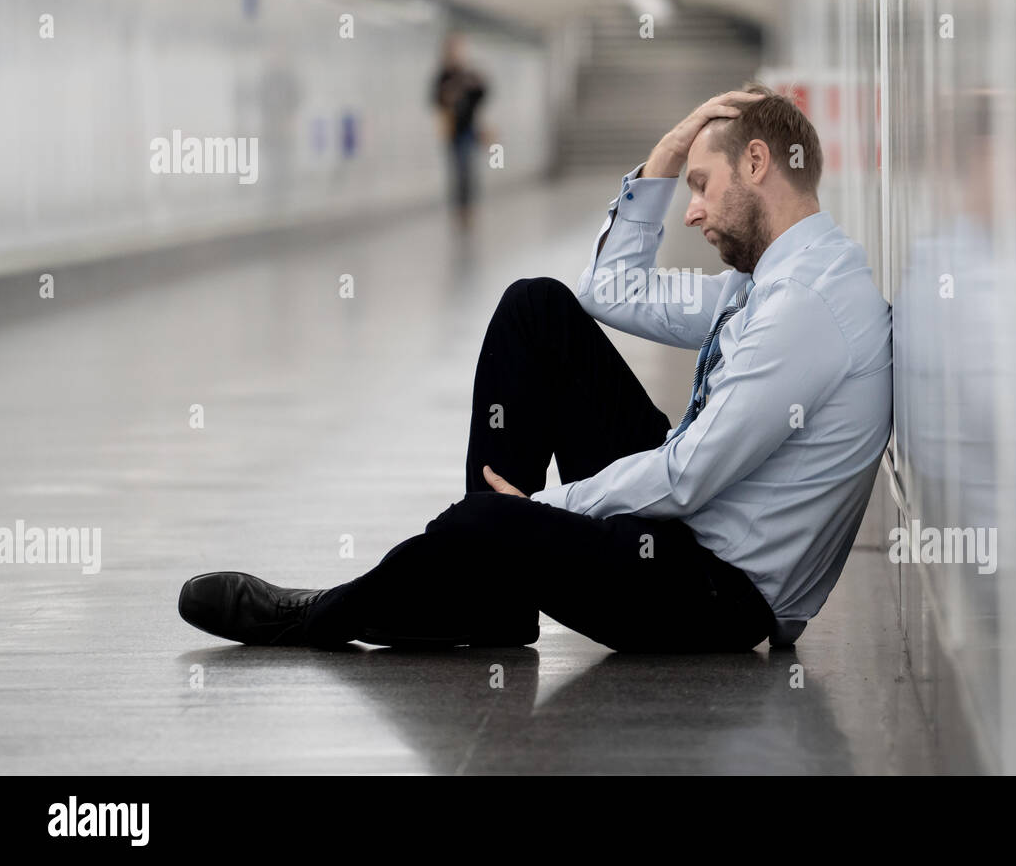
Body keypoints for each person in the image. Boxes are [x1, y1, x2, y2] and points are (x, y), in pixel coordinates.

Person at [178, 85, 894, 653]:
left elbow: (687, 475)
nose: (692, 212)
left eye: (702, 186)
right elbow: (610, 290)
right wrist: (670, 154)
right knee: (537, 309)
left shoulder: (804, 307)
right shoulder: (770, 279)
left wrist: (540, 509)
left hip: (715, 595)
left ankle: (313, 619)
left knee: (491, 520)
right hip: (692, 535)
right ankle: (491, 597)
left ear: (759, 163)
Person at [432, 32, 489, 232]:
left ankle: (468, 209)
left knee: (468, 171)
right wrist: (452, 91)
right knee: (458, 171)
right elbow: (437, 99)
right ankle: (459, 210)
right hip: (453, 131)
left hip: (469, 129)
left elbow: (481, 94)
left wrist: (474, 84)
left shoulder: (468, 73)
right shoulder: (444, 75)